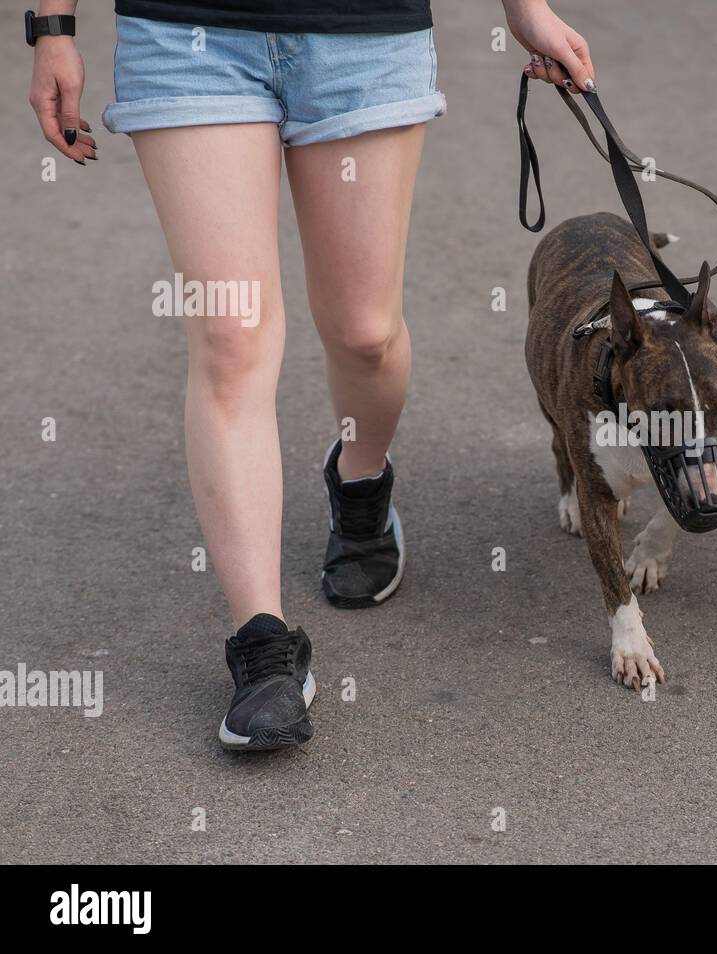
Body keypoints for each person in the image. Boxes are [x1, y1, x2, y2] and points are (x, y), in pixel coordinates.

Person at [27, 0, 596, 751]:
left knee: (366, 334)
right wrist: (52, 27)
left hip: (363, 33)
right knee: (230, 337)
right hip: (186, 31)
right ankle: (263, 650)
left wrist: (524, 8)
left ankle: (360, 481)